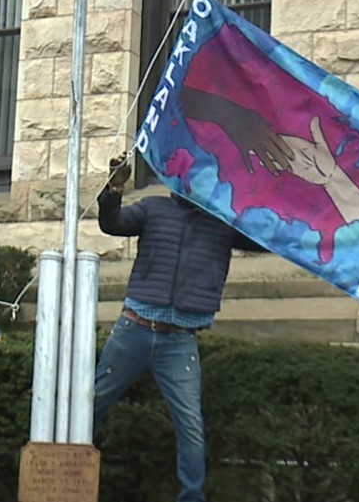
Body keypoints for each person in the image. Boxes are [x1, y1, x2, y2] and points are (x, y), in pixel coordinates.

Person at [92, 153, 265, 502]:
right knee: (92, 404)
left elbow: (265, 239)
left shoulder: (223, 223)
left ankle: (192, 497)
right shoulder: (153, 209)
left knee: (191, 428)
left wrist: (266, 196)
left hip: (179, 341)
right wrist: (114, 188)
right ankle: (71, 481)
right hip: (134, 329)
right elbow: (112, 224)